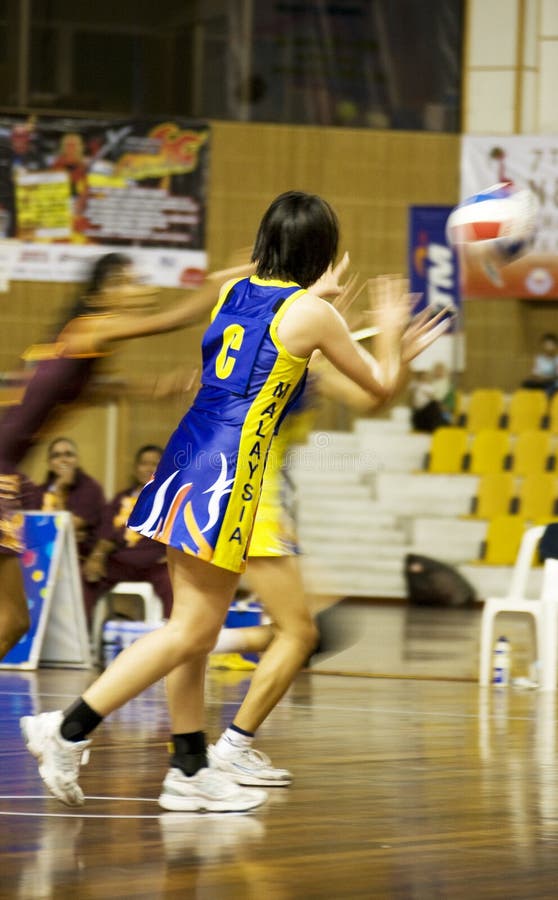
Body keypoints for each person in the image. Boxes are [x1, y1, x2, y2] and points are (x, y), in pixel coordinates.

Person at [20, 189, 449, 815]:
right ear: (321, 250)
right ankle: (67, 727)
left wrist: (324, 304)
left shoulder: (233, 292)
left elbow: (273, 339)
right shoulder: (312, 312)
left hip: (184, 455)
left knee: (194, 630)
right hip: (229, 472)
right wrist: (390, 337)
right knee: (190, 631)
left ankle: (189, 768)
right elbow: (381, 389)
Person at [0, 250, 252, 662]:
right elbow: (173, 320)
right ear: (101, 294)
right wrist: (228, 282)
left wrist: (153, 387)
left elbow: (96, 391)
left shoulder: (77, 347)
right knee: (11, 622)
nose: (140, 290)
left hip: (7, 474)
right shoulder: (92, 328)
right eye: (130, 282)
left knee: (12, 622)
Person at [83, 444, 173, 621]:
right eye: (144, 463)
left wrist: (173, 556)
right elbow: (106, 533)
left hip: (155, 565)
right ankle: (83, 632)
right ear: (136, 468)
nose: (148, 468)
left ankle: (173, 633)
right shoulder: (121, 498)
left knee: (173, 580)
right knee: (85, 576)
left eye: (155, 464)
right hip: (121, 563)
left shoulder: (170, 498)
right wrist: (97, 556)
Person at [36, 436, 105, 563]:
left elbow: (66, 528)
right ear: (49, 464)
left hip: (78, 559)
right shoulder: (39, 491)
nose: (63, 460)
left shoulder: (91, 488)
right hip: (44, 556)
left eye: (68, 454)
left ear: (76, 460)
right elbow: (33, 529)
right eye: (56, 456)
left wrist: (60, 489)